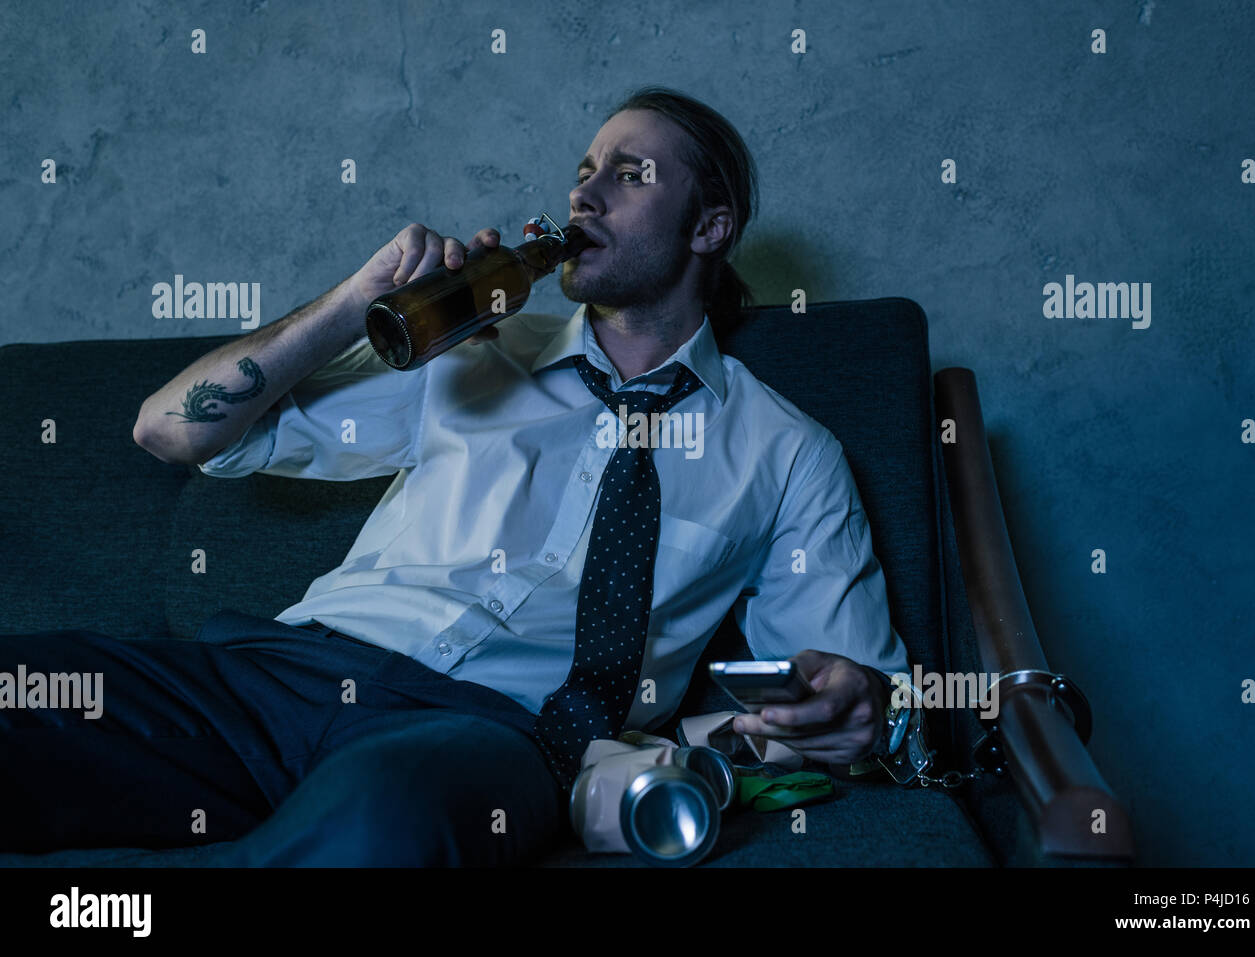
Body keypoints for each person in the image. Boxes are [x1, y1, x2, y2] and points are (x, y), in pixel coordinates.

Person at [1, 86, 909, 865]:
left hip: (484, 734)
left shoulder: (789, 455)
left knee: (383, 814)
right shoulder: (465, 354)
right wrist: (362, 300)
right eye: (584, 168)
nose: (584, 192)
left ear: (711, 227)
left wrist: (851, 708)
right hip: (278, 674)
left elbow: (850, 699)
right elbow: (168, 428)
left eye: (629, 175)